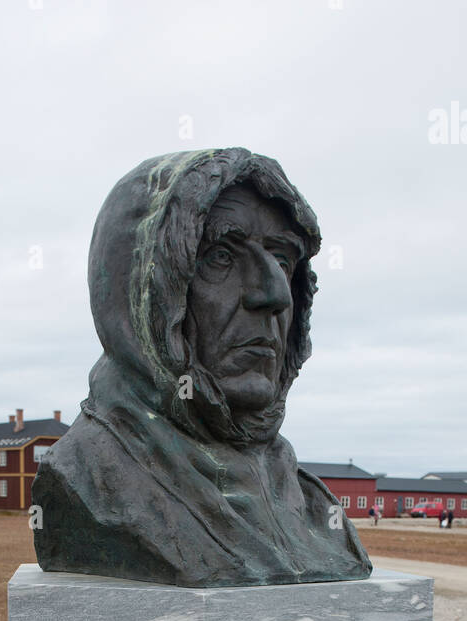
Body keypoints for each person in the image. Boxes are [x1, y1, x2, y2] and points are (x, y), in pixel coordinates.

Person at [31, 149, 372, 588]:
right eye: (221, 257)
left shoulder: (311, 510)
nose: (274, 294)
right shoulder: (89, 477)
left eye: (283, 261)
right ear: (142, 291)